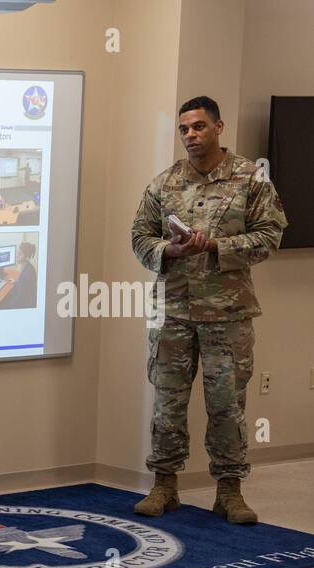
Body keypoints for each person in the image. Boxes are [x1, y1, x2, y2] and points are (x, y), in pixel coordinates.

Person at [130, 95, 286, 523]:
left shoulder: (250, 179)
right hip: (174, 313)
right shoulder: (163, 185)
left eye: (198, 127)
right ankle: (164, 485)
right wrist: (170, 248)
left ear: (219, 127)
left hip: (228, 315)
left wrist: (218, 246)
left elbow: (270, 236)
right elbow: (140, 238)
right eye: (183, 129)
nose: (190, 136)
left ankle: (229, 492)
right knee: (167, 402)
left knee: (226, 405)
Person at [0, 240, 38, 310]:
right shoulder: (28, 267)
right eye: (18, 253)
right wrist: (15, 282)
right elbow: (23, 286)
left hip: (23, 305)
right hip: (25, 300)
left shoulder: (26, 274)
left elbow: (18, 300)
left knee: (0, 303)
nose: (17, 255)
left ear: (26, 257)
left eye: (20, 254)